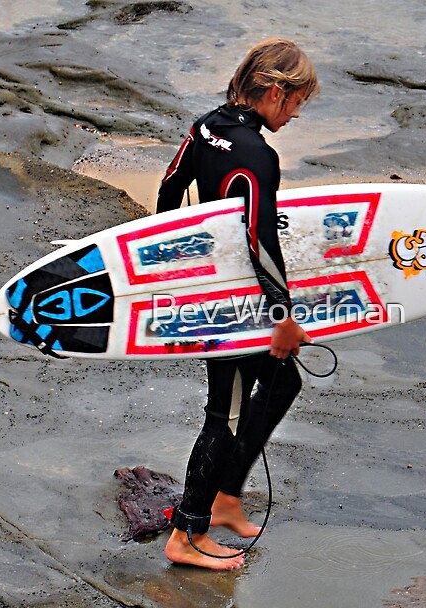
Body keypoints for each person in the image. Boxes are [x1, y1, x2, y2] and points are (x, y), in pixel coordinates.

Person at [155, 38, 319, 570]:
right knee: (223, 412)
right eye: (295, 104)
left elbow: (169, 189)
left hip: (219, 283)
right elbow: (259, 239)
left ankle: (226, 498)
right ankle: (187, 535)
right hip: (232, 300)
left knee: (281, 382)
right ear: (274, 92)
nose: (295, 115)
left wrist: (174, 264)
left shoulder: (206, 126)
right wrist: (284, 316)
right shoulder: (258, 156)